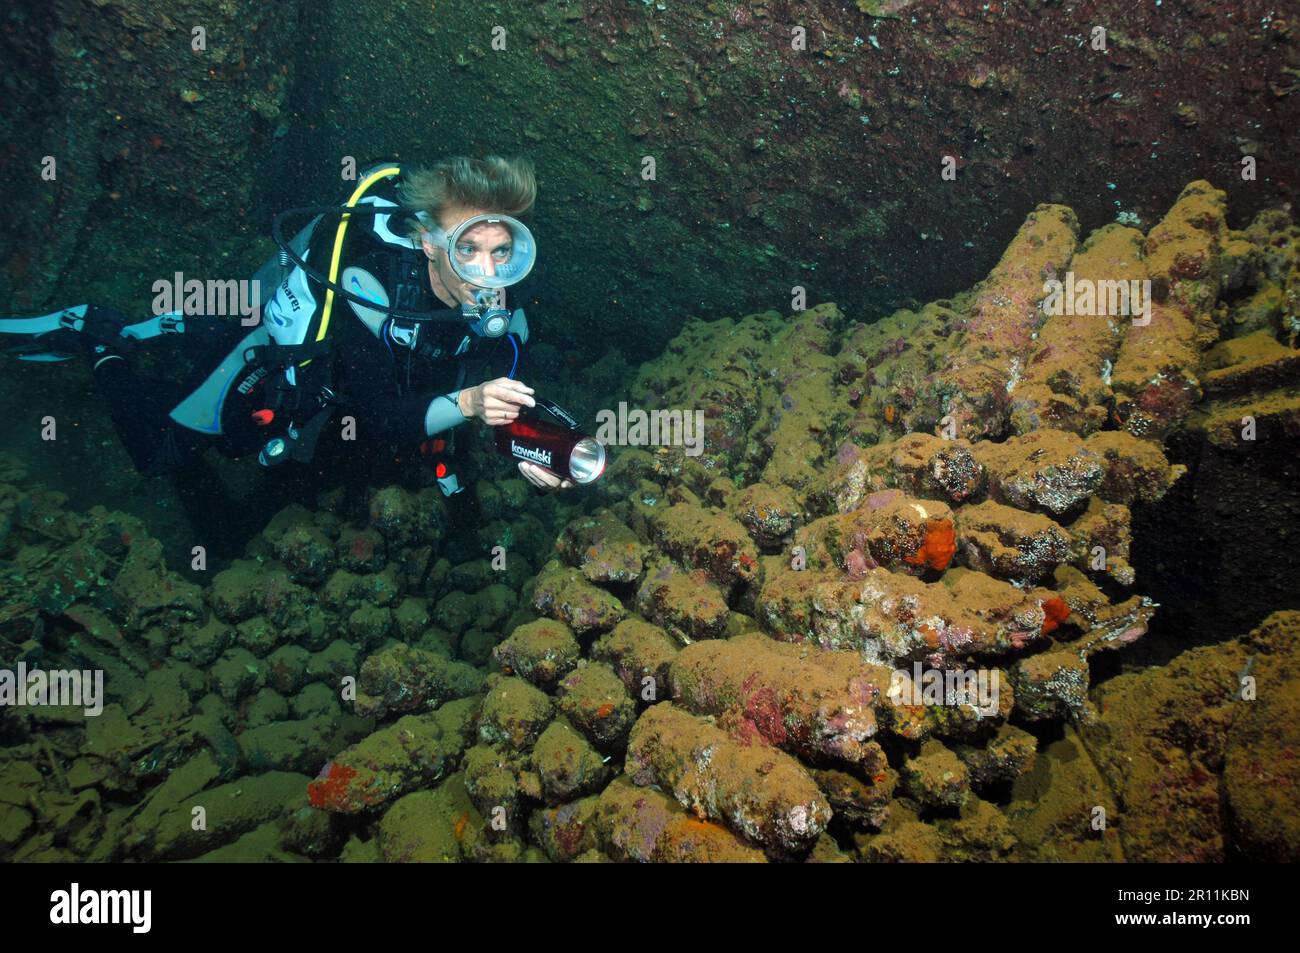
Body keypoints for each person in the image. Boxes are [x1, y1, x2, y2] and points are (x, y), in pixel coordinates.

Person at [0, 156, 575, 497]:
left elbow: (507, 377)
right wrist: (471, 402)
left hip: (349, 383)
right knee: (165, 453)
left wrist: (529, 445)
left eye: (504, 250)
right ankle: (102, 337)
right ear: (427, 239)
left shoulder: (507, 289)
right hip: (287, 358)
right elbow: (379, 414)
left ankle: (172, 331)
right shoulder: (367, 288)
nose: (488, 272)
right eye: (466, 247)